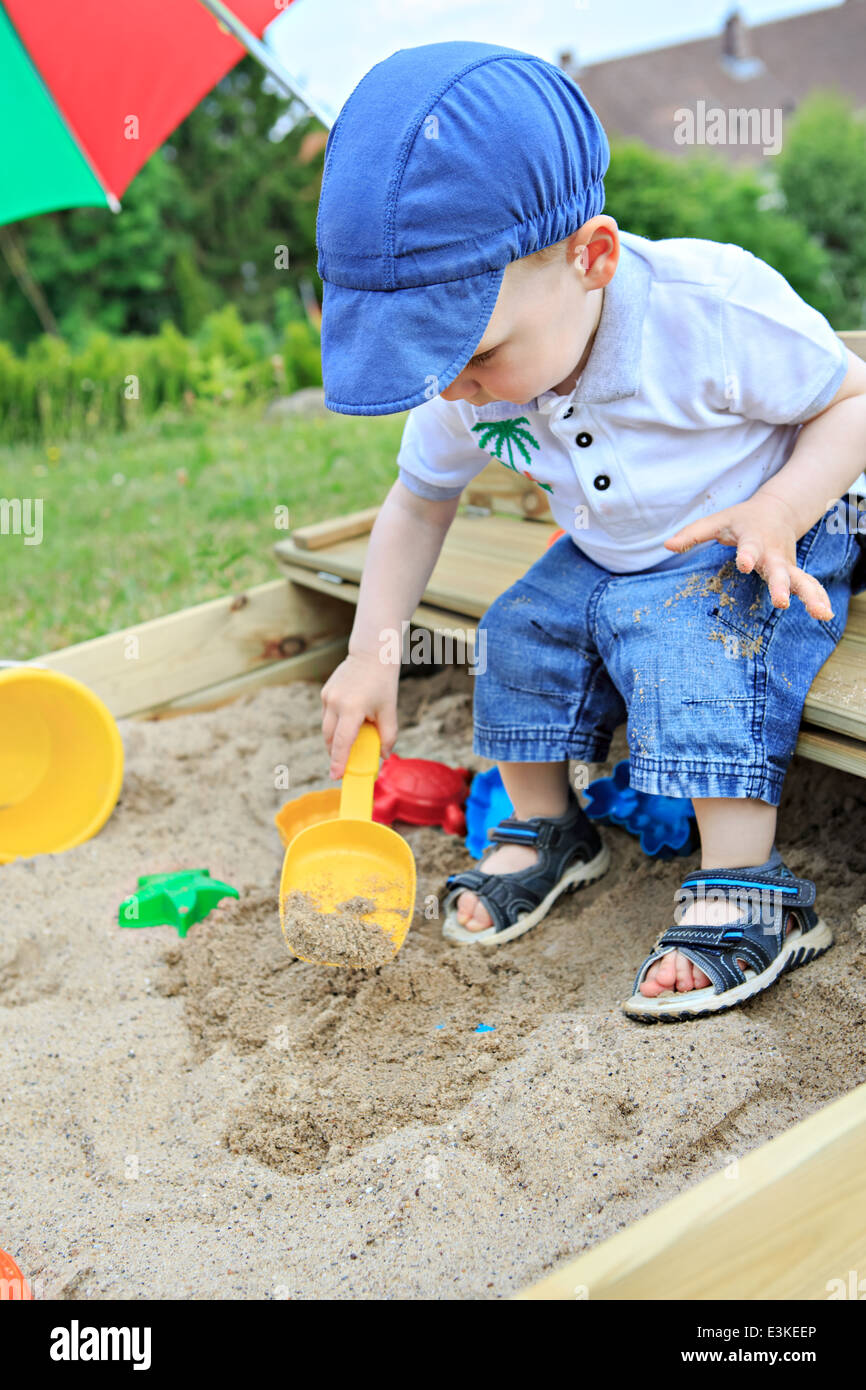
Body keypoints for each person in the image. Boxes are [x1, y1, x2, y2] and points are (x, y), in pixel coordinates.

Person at [315, 41, 866, 1020]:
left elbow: (851, 400)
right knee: (518, 630)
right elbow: (417, 500)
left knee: (696, 643)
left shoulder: (706, 311)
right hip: (617, 546)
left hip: (763, 523)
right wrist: (369, 655)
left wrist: (779, 506)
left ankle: (749, 890)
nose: (449, 388)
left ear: (591, 258)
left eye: (473, 355)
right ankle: (548, 829)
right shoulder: (466, 368)